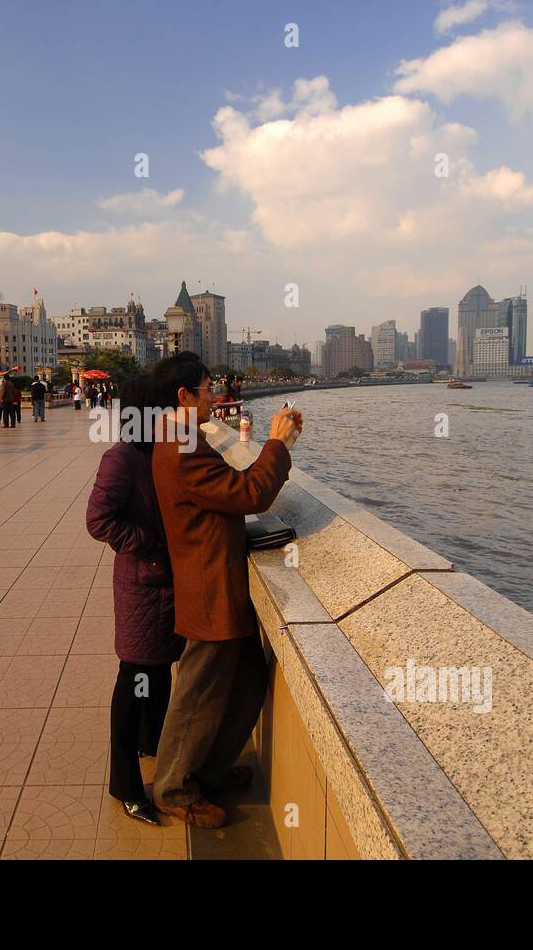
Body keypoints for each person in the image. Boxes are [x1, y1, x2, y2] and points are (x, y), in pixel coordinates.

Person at [148, 352, 301, 829]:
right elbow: (248, 494)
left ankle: (208, 771)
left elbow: (229, 492)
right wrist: (277, 444)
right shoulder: (182, 445)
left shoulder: (178, 437)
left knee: (248, 680)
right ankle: (173, 788)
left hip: (217, 577)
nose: (216, 396)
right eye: (208, 389)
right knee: (198, 692)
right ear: (184, 396)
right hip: (208, 584)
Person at [86, 377, 183, 826]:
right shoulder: (121, 457)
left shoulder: (159, 453)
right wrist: (146, 541)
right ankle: (125, 785)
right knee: (135, 676)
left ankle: (153, 745)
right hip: (141, 586)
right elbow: (98, 520)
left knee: (159, 671)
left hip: (167, 586)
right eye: (163, 407)